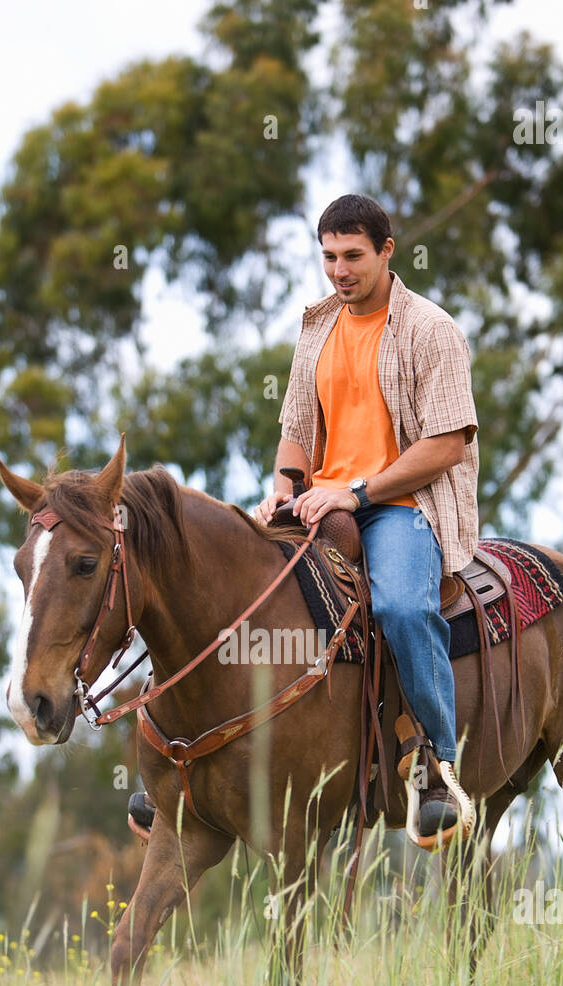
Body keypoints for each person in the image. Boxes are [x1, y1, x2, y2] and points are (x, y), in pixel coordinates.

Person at [129, 193, 478, 845]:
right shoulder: (317, 328)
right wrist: (284, 489)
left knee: (403, 608)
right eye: (328, 258)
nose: (340, 271)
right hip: (318, 505)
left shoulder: (431, 330)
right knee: (215, 583)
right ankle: (177, 758)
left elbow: (446, 445)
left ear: (386, 252)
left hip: (403, 508)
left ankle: (437, 763)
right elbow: (295, 431)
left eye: (352, 256)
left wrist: (356, 491)